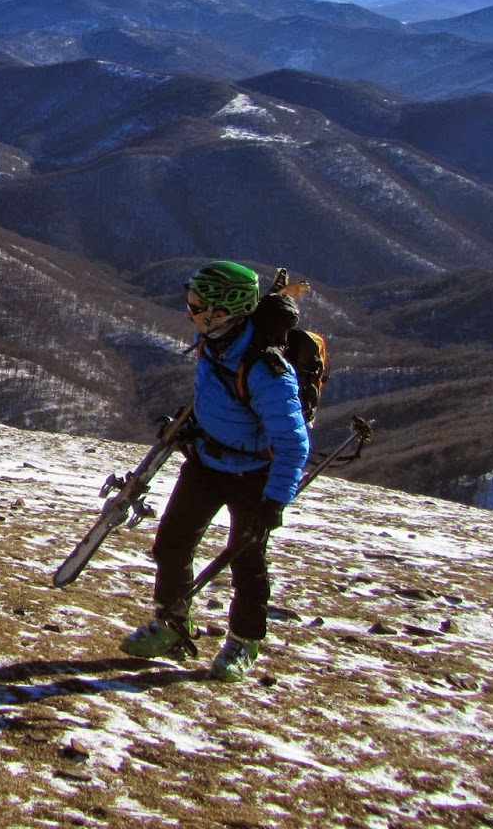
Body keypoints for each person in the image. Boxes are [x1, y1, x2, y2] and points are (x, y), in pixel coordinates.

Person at [120, 260, 311, 681]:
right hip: (207, 459)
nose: (189, 313)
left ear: (221, 312)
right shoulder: (214, 341)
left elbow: (294, 443)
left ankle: (245, 641)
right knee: (172, 542)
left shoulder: (267, 370)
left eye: (196, 306)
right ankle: (172, 625)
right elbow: (214, 395)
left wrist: (274, 502)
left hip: (253, 475)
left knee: (246, 558)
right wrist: (191, 424)